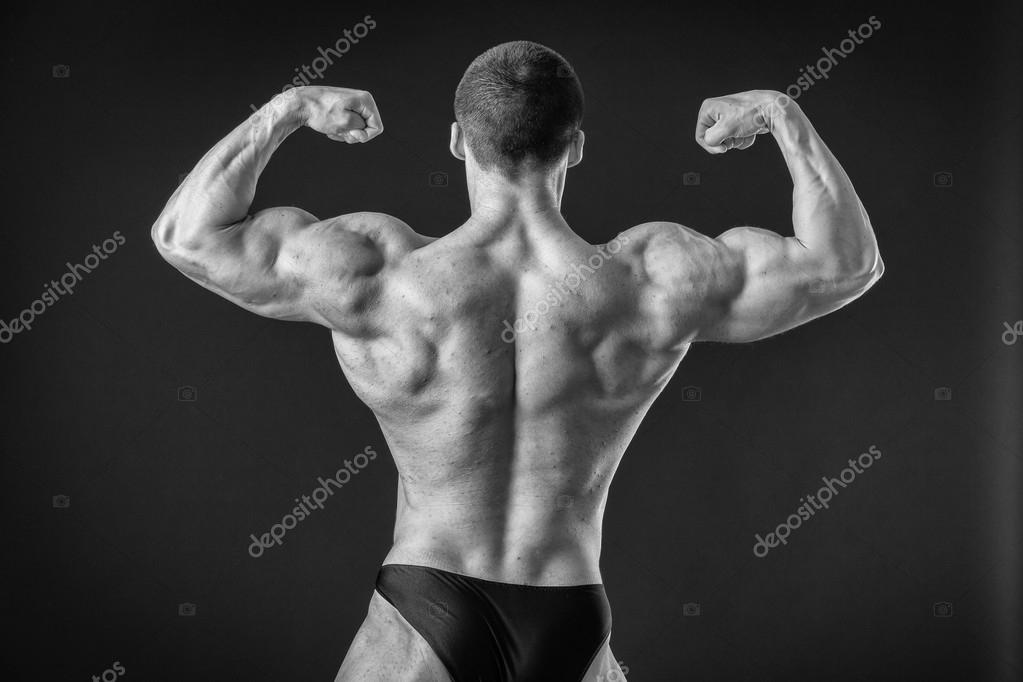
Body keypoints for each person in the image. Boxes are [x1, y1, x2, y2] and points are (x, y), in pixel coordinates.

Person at [151, 40, 884, 682]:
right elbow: (844, 264)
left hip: (425, 600)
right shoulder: (651, 280)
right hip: (570, 609)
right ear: (576, 146)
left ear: (455, 142)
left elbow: (187, 235)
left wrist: (289, 107)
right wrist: (780, 113)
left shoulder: (378, 273)